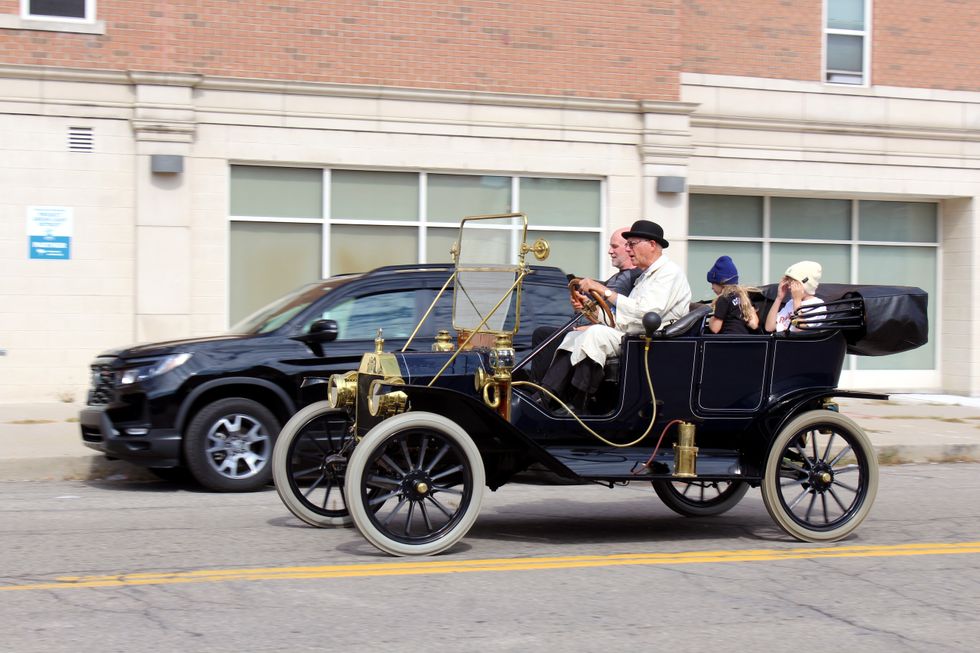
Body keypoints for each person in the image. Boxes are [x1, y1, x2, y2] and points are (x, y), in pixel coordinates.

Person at [537, 219, 692, 410]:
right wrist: (591, 308)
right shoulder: (646, 276)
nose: (628, 250)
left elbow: (646, 311)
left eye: (632, 244)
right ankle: (545, 397)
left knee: (595, 335)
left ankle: (578, 405)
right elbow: (623, 318)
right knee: (575, 335)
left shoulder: (669, 273)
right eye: (627, 245)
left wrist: (604, 291)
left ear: (652, 245)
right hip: (636, 335)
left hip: (655, 342)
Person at [531, 227, 639, 382]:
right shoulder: (620, 277)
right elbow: (602, 310)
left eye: (614, 246)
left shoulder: (631, 279)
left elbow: (616, 317)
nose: (610, 251)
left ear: (628, 247)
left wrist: (582, 327)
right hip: (598, 326)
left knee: (544, 334)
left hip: (607, 332)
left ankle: (541, 391)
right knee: (546, 333)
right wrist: (584, 307)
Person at [764, 260, 826, 333]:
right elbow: (769, 327)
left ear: (805, 283)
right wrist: (779, 298)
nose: (789, 287)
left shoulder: (818, 306)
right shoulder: (791, 303)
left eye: (793, 283)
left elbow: (799, 330)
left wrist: (797, 301)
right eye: (789, 283)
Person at [706, 255, 759, 334]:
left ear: (721, 283)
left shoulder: (723, 299)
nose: (712, 287)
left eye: (713, 283)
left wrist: (711, 320)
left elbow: (715, 328)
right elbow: (754, 324)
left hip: (728, 342)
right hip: (745, 341)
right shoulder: (743, 296)